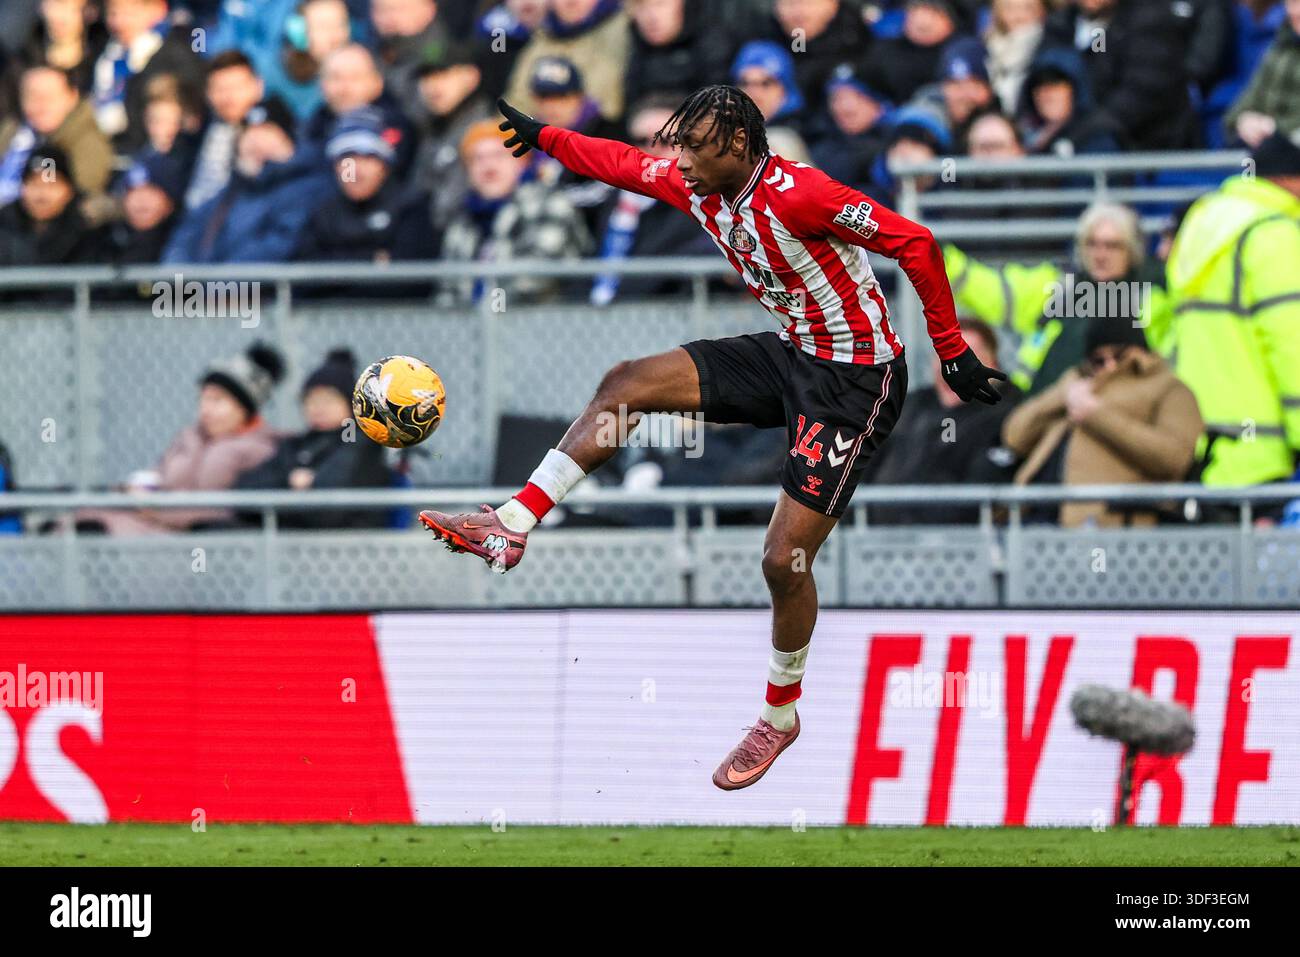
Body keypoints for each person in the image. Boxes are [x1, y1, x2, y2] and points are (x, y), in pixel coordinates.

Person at [419, 87, 1006, 791]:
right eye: (682, 144)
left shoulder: (803, 193)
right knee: (626, 383)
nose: (681, 160)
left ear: (736, 145)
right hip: (791, 354)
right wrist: (546, 137)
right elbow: (621, 163)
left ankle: (780, 713)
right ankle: (510, 524)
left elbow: (915, 240)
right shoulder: (699, 185)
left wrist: (952, 350)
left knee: (782, 559)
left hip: (856, 381)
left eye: (696, 146)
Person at [1165, 131, 1300, 489]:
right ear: (1288, 180)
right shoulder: (1274, 233)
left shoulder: (1204, 225)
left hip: (1198, 442)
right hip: (1261, 451)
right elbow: (1291, 341)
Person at [944, 201, 1173, 394]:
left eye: (1112, 246)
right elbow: (995, 291)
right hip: (1039, 408)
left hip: (1115, 412)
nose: (1100, 254)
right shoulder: (1059, 287)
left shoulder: (1150, 299)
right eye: (1092, 244)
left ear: (1131, 250)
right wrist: (942, 260)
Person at [1002, 314, 1202, 527]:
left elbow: (1173, 458)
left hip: (1111, 526)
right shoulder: (1078, 385)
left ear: (1140, 351)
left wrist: (1096, 415)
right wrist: (1063, 394)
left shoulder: (1169, 389)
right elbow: (1014, 436)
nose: (1109, 366)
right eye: (1098, 360)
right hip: (1033, 516)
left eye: (1119, 355)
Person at [73, 343, 283, 535]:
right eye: (203, 399)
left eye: (217, 401)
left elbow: (226, 513)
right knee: (80, 520)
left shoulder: (260, 450)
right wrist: (134, 490)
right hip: (155, 524)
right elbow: (160, 475)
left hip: (197, 544)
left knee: (106, 531)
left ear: (244, 408)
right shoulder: (189, 438)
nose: (205, 410)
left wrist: (156, 509)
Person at [860, 318, 1021, 523]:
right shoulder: (908, 406)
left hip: (956, 547)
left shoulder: (1006, 416)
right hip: (874, 544)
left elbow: (979, 496)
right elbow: (862, 468)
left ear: (992, 364)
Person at [235, 348, 394, 528]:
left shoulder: (360, 442)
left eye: (328, 400)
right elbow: (243, 496)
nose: (318, 408)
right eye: (311, 400)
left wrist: (280, 502)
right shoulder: (296, 445)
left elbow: (325, 511)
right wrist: (289, 482)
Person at [437, 118, 591, 303]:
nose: (488, 167)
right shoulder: (463, 221)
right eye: (477, 159)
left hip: (542, 324)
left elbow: (534, 278)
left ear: (522, 163)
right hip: (475, 326)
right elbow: (447, 289)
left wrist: (486, 315)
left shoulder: (549, 203)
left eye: (498, 155)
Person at [162, 98, 333, 263]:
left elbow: (281, 245)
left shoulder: (308, 187)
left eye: (266, 131)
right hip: (212, 288)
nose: (255, 141)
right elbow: (186, 235)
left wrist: (219, 281)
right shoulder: (232, 191)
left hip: (264, 290)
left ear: (288, 139)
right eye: (248, 132)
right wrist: (180, 279)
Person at [1039, 0, 1197, 150]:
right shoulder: (1066, 24)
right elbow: (1042, 78)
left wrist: (1077, 135)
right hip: (1070, 132)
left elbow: (1141, 93)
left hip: (1143, 146)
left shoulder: (1148, 22)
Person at [294, 106, 435, 262]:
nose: (357, 171)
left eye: (369, 158)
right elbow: (308, 273)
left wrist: (337, 263)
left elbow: (407, 276)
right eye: (348, 158)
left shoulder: (411, 208)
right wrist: (372, 259)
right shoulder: (322, 212)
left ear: (384, 166)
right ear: (335, 166)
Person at [91, 0, 204, 152]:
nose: (119, 21)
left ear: (157, 10)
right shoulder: (105, 58)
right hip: (112, 149)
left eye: (129, 13)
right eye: (113, 13)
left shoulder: (177, 56)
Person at [0, 65, 114, 211]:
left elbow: (85, 197)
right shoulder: (12, 130)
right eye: (32, 95)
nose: (40, 104)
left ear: (72, 97)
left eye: (49, 96)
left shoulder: (86, 141)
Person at [410, 45, 494, 232]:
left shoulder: (484, 133)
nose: (433, 85)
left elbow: (450, 209)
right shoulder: (428, 128)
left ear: (471, 77)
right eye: (426, 77)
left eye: (443, 73)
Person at [503, 0, 631, 122]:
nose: (571, 1)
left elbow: (610, 108)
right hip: (540, 137)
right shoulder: (541, 39)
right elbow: (516, 104)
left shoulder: (625, 29)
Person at [184, 51, 267, 211]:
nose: (229, 97)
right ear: (208, 93)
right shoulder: (197, 129)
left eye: (237, 87)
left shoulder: (273, 124)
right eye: (220, 89)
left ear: (258, 87)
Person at [0, 144, 106, 266]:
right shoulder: (5, 224)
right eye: (35, 184)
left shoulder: (90, 233)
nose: (42, 195)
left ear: (69, 190)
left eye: (51, 186)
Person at [1224, 0, 1300, 147]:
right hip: (1271, 150)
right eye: (1291, 3)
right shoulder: (1280, 48)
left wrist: (1275, 128)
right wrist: (1242, 121)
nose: (1295, 11)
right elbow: (1240, 108)